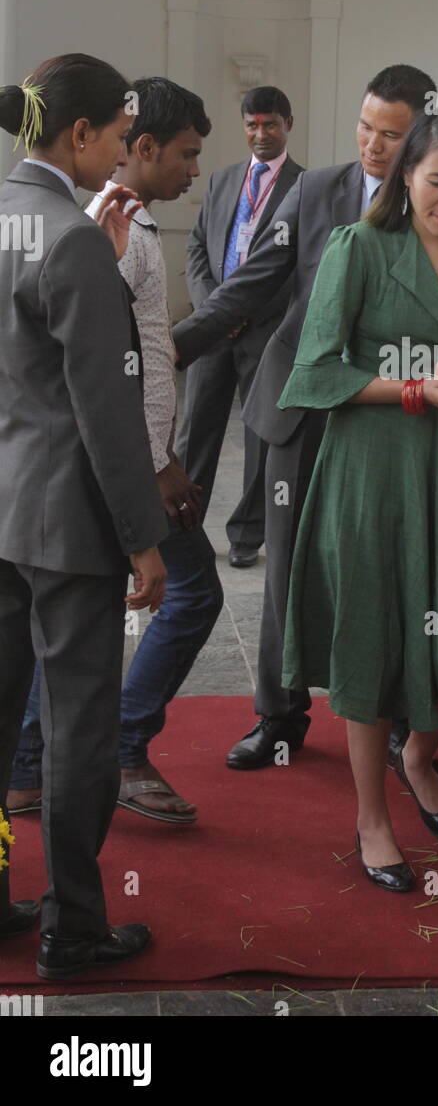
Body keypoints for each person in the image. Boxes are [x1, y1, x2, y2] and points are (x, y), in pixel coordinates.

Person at [278, 106, 438, 892]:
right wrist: (416, 391)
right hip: (371, 467)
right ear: (406, 177)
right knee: (373, 626)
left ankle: (420, 756)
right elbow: (318, 369)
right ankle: (371, 818)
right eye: (436, 181)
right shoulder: (360, 247)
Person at [172, 65, 437, 771]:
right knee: (286, 568)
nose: (373, 146)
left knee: (393, 567)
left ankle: (403, 720)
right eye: (365, 127)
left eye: (392, 134)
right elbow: (250, 283)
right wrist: (169, 346)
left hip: (390, 417)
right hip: (299, 407)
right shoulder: (317, 190)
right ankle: (280, 719)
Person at [7, 78, 223, 825]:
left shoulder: (72, 222)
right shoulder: (91, 237)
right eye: (186, 155)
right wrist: (147, 492)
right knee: (180, 606)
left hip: (45, 488)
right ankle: (77, 914)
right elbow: (104, 387)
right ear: (123, 144)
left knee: (46, 661)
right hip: (99, 484)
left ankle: (28, 788)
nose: (195, 171)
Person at [0, 54, 167, 978]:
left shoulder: (11, 218)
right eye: (114, 137)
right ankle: (74, 927)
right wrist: (143, 539)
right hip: (66, 524)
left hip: (3, 505)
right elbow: (105, 412)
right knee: (77, 730)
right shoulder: (69, 238)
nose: (120, 154)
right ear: (79, 136)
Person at [176, 86, 302, 568]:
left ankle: (246, 536)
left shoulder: (304, 186)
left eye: (270, 124)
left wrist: (244, 313)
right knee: (195, 434)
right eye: (252, 125)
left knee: (258, 437)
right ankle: (182, 527)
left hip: (263, 332)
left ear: (288, 124)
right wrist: (213, 310)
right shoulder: (223, 180)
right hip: (214, 330)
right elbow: (195, 248)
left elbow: (298, 265)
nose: (261, 133)